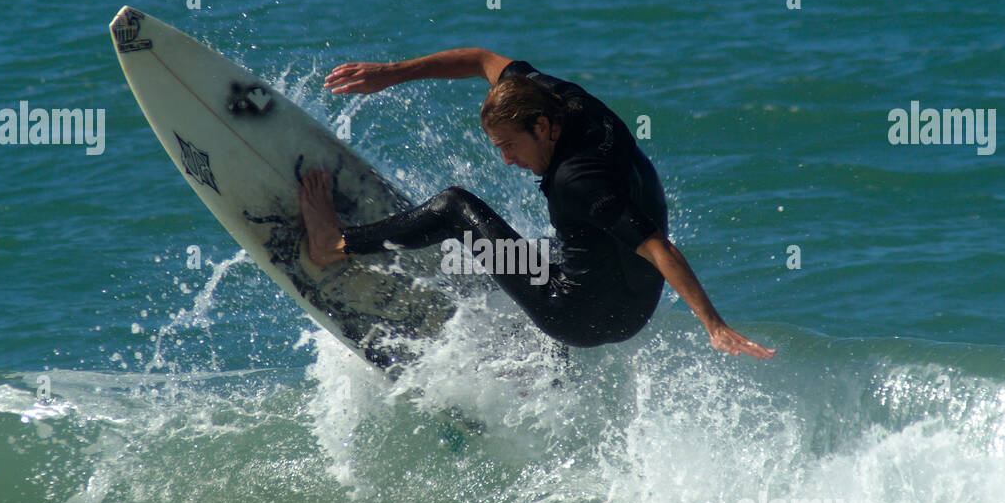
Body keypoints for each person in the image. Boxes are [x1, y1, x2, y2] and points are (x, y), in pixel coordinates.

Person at [299, 47, 775, 359]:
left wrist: (715, 326)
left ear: (542, 128)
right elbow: (483, 60)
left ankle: (333, 243)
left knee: (453, 208)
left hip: (577, 315)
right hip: (633, 304)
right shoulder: (558, 97)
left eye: (510, 146)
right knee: (548, 246)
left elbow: (659, 249)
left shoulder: (578, 183)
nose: (507, 160)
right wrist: (392, 74)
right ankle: (538, 364)